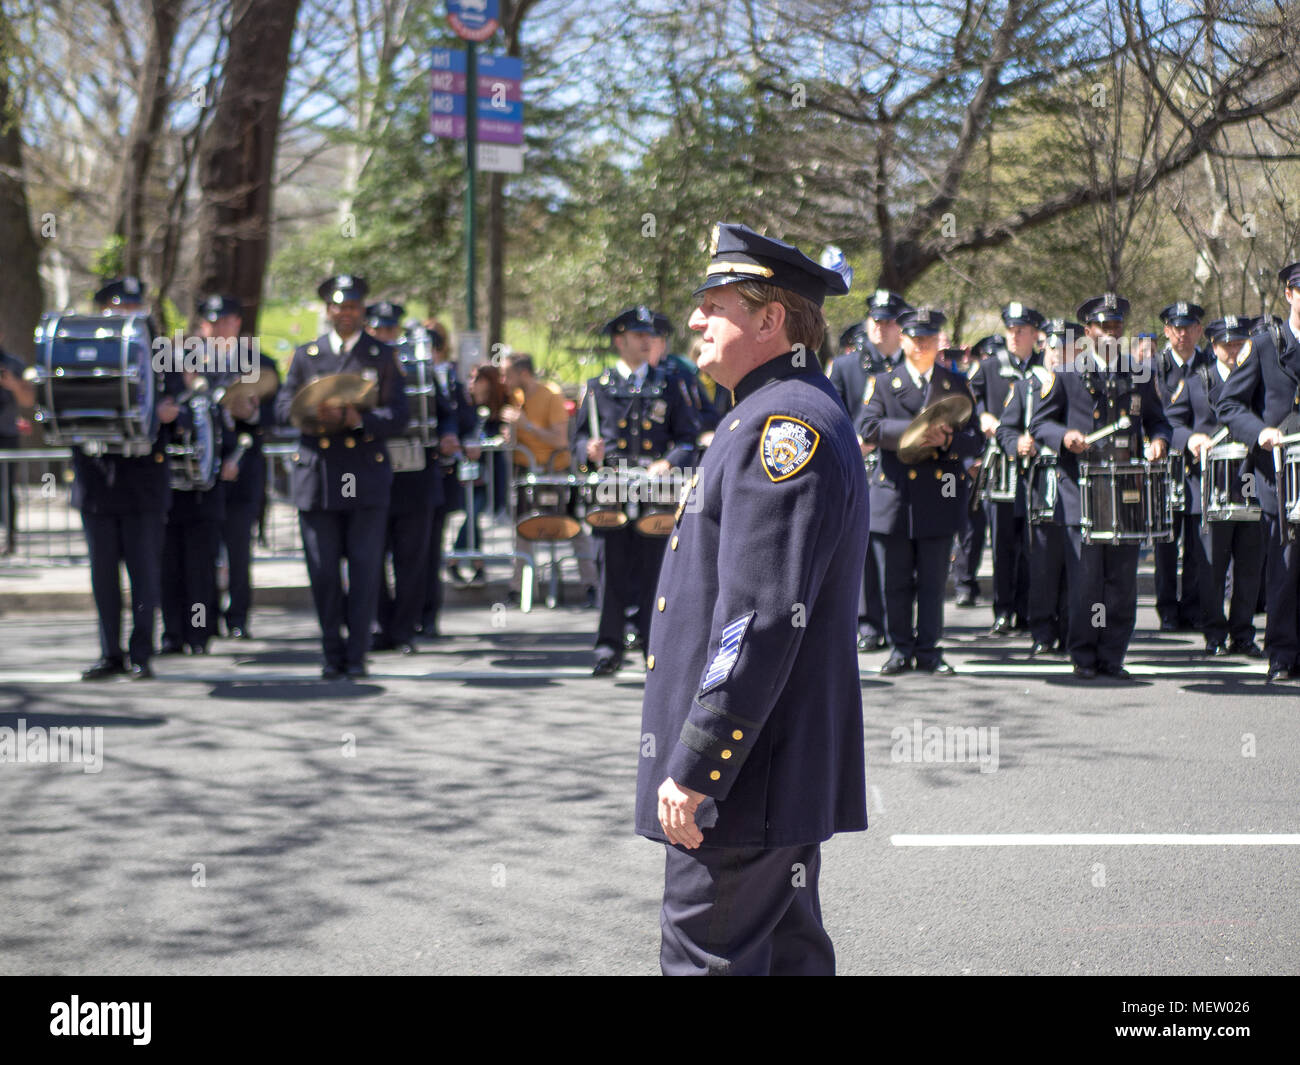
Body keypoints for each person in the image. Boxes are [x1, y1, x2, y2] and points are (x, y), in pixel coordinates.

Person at [636, 222, 866, 976]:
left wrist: (700, 762)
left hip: (746, 781)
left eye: (716, 302)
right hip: (769, 772)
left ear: (771, 320)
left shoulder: (783, 422)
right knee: (786, 960)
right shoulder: (770, 407)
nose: (696, 319)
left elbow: (757, 620)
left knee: (712, 959)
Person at [1030, 293, 1172, 679]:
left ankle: (1113, 654)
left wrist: (1159, 441)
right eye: (1104, 327)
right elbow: (1039, 424)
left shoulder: (1138, 372)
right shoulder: (1068, 373)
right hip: (1082, 490)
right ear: (1089, 331)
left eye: (1117, 326)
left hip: (1125, 490)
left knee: (1121, 582)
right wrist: (1065, 436)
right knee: (1086, 582)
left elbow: (1159, 421)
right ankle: (1084, 654)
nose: (1111, 333)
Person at [275, 274, 408, 679]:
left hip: (364, 476)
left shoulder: (381, 355)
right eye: (338, 306)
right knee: (324, 572)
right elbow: (281, 410)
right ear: (328, 310)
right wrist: (314, 413)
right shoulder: (306, 355)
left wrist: (359, 419)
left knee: (366, 570)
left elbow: (399, 415)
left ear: (361, 309)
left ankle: (357, 655)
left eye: (352, 306)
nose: (345, 313)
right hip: (319, 479)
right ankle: (331, 653)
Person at [571, 305, 699, 675]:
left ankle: (652, 646)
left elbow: (688, 438)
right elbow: (577, 441)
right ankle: (608, 647)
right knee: (610, 566)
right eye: (638, 335)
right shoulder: (598, 387)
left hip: (654, 488)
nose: (647, 341)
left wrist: (670, 461)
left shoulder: (671, 384)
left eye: (650, 335)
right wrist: (586, 452)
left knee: (653, 569)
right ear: (619, 340)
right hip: (612, 487)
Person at [859, 307, 982, 675]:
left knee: (931, 584)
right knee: (894, 583)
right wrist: (914, 432)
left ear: (937, 342)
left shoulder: (955, 383)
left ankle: (929, 650)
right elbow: (867, 426)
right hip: (894, 497)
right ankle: (900, 650)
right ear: (904, 339)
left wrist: (946, 441)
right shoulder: (884, 382)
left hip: (937, 498)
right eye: (915, 338)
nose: (921, 344)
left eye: (928, 338)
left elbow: (973, 439)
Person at [76, 276, 182, 680]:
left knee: (143, 574)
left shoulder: (161, 355)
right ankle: (110, 653)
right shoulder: (85, 353)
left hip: (143, 483)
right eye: (118, 308)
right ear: (104, 311)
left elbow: (184, 409)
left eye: (133, 307)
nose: (126, 314)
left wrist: (172, 415)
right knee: (103, 575)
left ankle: (142, 652)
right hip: (98, 483)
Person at [1217, 261, 1300, 682]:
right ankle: (1283, 653)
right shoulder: (1265, 343)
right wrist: (1260, 432)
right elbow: (1229, 404)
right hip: (1280, 472)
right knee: (1285, 563)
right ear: (1289, 295)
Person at [1167, 315, 1263, 658]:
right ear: (1214, 346)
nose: (1233, 351)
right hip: (1209, 486)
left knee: (1249, 566)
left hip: (1252, 480)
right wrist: (1192, 437)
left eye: (1239, 344)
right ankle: (1214, 633)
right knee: (1210, 566)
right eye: (1227, 344)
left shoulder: (1257, 377)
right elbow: (1171, 423)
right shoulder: (1196, 382)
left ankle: (1243, 633)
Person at [829, 290, 911, 652]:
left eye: (889, 322)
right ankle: (868, 624)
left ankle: (901, 628)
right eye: (876, 321)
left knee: (894, 551)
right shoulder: (847, 366)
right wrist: (852, 442)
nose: (881, 329)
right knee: (862, 548)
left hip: (902, 469)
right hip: (859, 466)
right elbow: (830, 414)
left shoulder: (914, 363)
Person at [998, 320, 1079, 656]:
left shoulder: (1081, 385)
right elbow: (1006, 429)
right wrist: (1018, 443)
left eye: (1066, 349)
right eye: (1053, 348)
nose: (1058, 355)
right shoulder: (1026, 386)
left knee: (1076, 561)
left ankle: (1071, 628)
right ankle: (1043, 630)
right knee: (1044, 560)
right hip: (1040, 482)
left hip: (1075, 482)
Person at [967, 304, 1046, 635]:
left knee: (1032, 542)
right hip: (1000, 466)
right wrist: (982, 415)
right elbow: (967, 402)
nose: (1014, 336)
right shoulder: (988, 366)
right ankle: (1003, 610)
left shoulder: (1045, 367)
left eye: (1021, 331)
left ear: (1034, 335)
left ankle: (1028, 609)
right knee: (1002, 541)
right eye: (1010, 330)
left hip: (1036, 465)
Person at [205, 295, 279, 641]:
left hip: (244, 472)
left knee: (238, 551)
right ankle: (203, 619)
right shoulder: (192, 363)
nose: (220, 328)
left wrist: (250, 413)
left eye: (226, 321)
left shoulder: (259, 363)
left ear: (237, 324)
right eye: (213, 322)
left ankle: (238, 619)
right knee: (202, 551)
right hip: (204, 474)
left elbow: (277, 412)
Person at [501, 352, 598, 603]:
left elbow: (560, 440)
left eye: (507, 374)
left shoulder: (551, 396)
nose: (504, 380)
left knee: (571, 527)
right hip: (525, 474)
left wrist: (526, 425)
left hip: (556, 473)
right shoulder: (515, 398)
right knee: (523, 528)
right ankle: (519, 590)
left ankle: (591, 585)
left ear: (523, 373)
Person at [1154, 301, 1212, 631]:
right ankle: (1167, 610)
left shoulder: (1207, 364)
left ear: (1199, 331)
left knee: (1195, 539)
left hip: (1196, 466)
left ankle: (1191, 607)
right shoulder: (1154, 366)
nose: (1183, 334)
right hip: (1164, 466)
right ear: (1166, 331)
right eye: (1176, 328)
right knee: (1165, 543)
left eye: (1189, 327)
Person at [419, 320, 479, 638]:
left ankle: (428, 616)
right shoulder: (409, 377)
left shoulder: (453, 383)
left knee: (431, 550)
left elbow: (466, 421)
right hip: (410, 476)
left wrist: (464, 439)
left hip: (441, 477)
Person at [447, 362, 509, 584]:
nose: (471, 383)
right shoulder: (464, 405)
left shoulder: (500, 407)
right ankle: (470, 563)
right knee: (472, 516)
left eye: (477, 379)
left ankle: (462, 561)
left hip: (488, 474)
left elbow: (503, 433)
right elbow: (456, 430)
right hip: (466, 474)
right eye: (470, 378)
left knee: (473, 515)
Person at [0, 328, 35, 553]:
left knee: (5, 490)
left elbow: (28, 401)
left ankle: (9, 538)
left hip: (6, 435)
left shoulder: (13, 364)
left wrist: (13, 385)